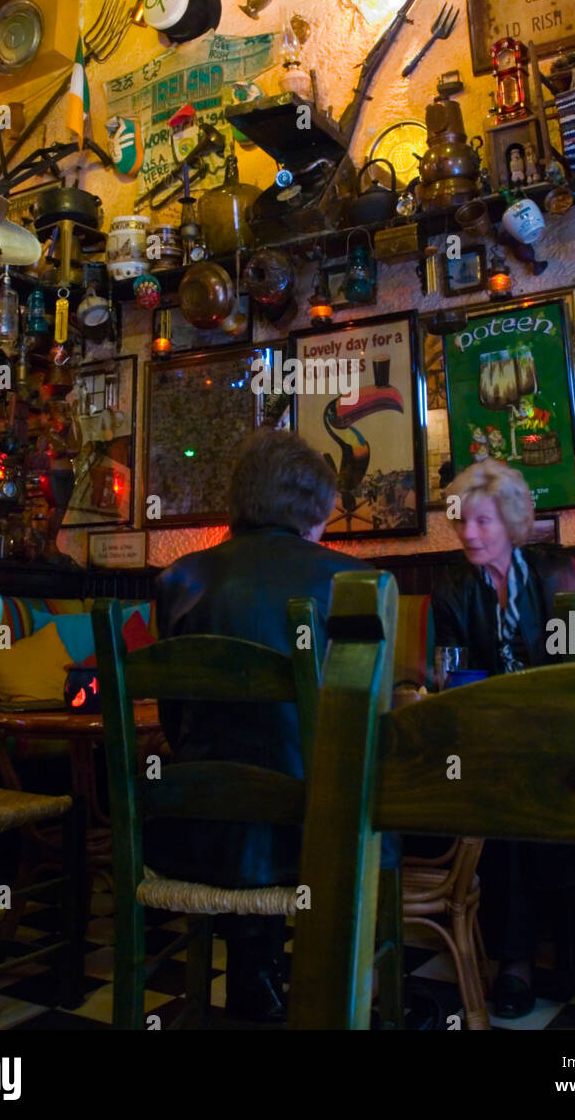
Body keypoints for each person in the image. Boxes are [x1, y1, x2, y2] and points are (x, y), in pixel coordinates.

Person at [144, 430, 369, 1025]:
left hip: (189, 829)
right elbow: (363, 726)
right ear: (314, 506)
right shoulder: (351, 581)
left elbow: (174, 721)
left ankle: (256, 972)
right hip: (311, 839)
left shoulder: (178, 580)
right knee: (349, 786)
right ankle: (340, 985)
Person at [432, 458, 575, 1019]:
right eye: (461, 523)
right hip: (489, 739)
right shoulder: (452, 587)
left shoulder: (552, 574)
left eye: (482, 522)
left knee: (539, 787)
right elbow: (452, 673)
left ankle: (518, 956)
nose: (469, 534)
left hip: (559, 732)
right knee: (508, 793)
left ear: (510, 520)